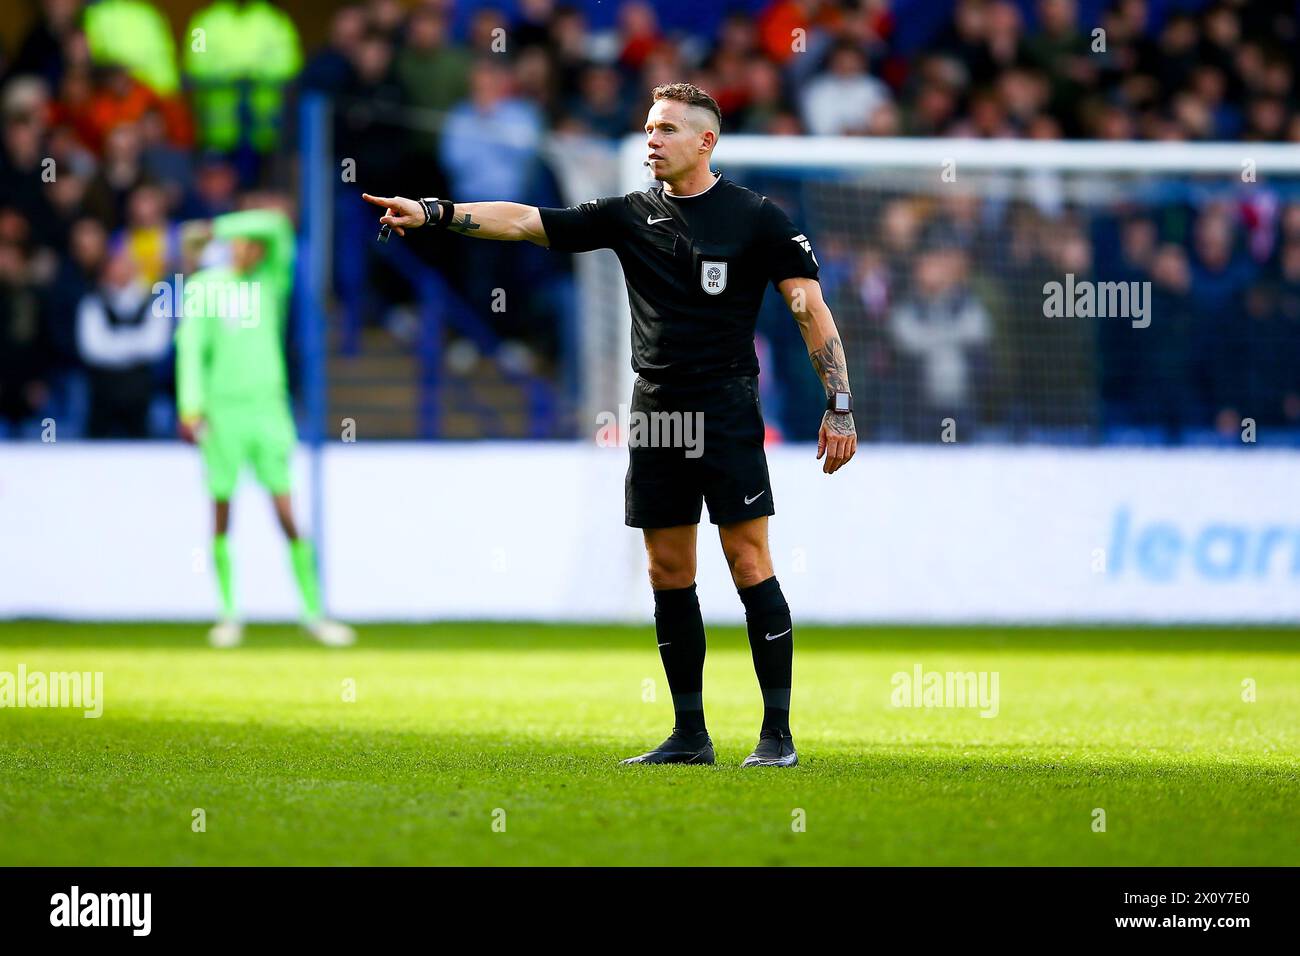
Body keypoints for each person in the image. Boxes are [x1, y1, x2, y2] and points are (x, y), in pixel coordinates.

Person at [362, 82, 857, 767]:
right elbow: (527, 221)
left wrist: (839, 404)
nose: (650, 139)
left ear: (704, 142)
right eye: (648, 127)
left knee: (747, 560)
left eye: (666, 130)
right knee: (666, 568)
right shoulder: (629, 215)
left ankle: (777, 735)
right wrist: (435, 212)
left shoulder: (758, 218)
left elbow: (808, 307)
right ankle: (690, 734)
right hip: (655, 409)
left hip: (726, 406)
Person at [174, 207, 354, 648]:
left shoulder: (270, 281)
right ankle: (228, 613)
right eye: (239, 240)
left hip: (268, 409)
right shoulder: (204, 286)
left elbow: (276, 226)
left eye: (250, 240)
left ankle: (314, 612)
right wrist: (190, 405)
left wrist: (214, 225)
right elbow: (192, 350)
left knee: (286, 512)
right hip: (222, 412)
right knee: (221, 511)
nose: (247, 246)